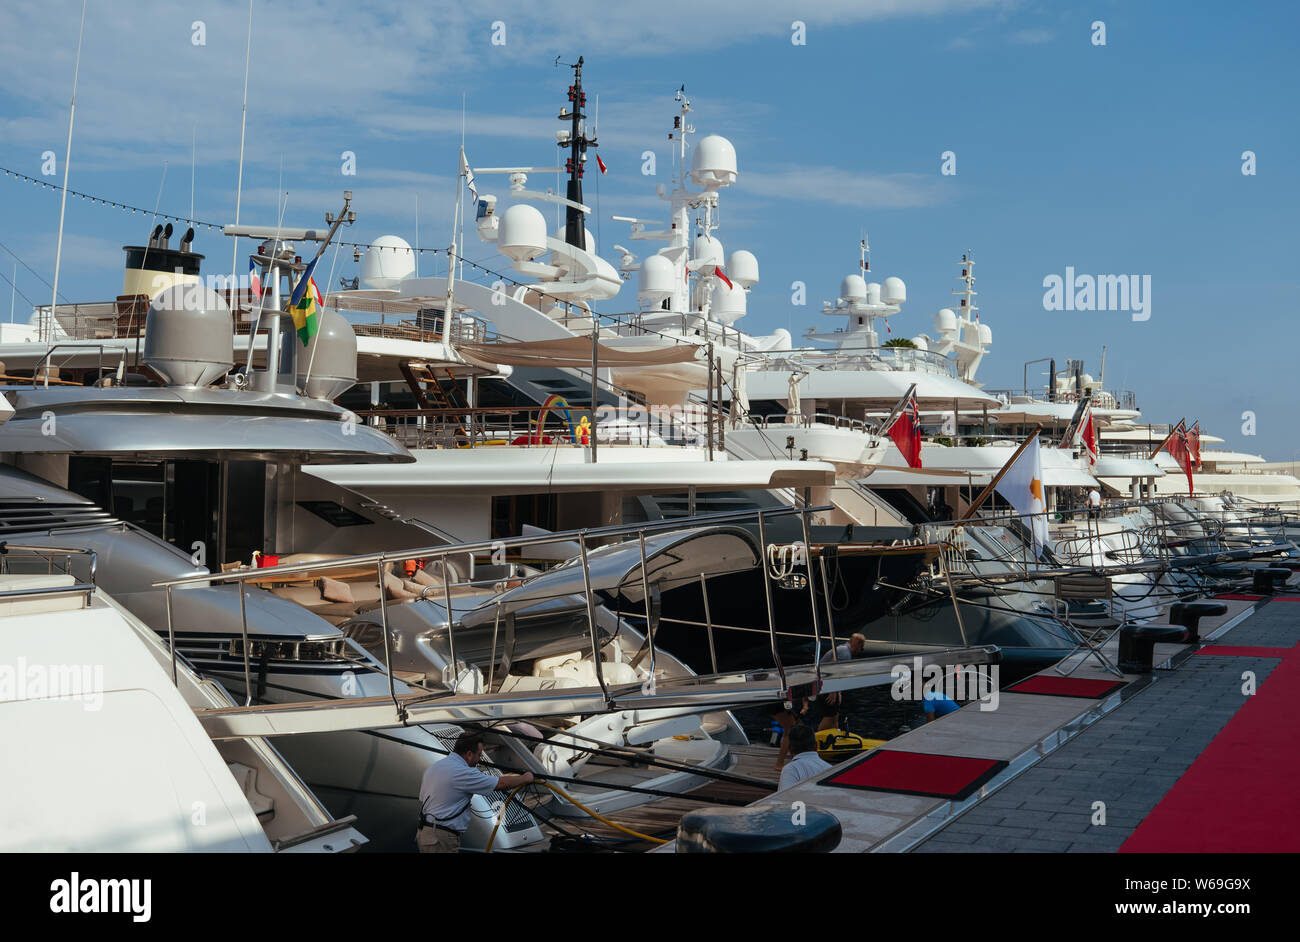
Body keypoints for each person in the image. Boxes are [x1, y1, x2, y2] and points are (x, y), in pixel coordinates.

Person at [416, 731, 534, 853]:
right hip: (441, 838)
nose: (480, 759)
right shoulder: (463, 772)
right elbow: (501, 784)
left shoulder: (435, 767)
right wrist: (525, 778)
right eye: (479, 755)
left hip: (426, 834)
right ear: (469, 754)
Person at [777, 724, 832, 791]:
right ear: (816, 746)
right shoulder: (830, 769)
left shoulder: (791, 769)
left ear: (789, 749)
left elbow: (784, 798)